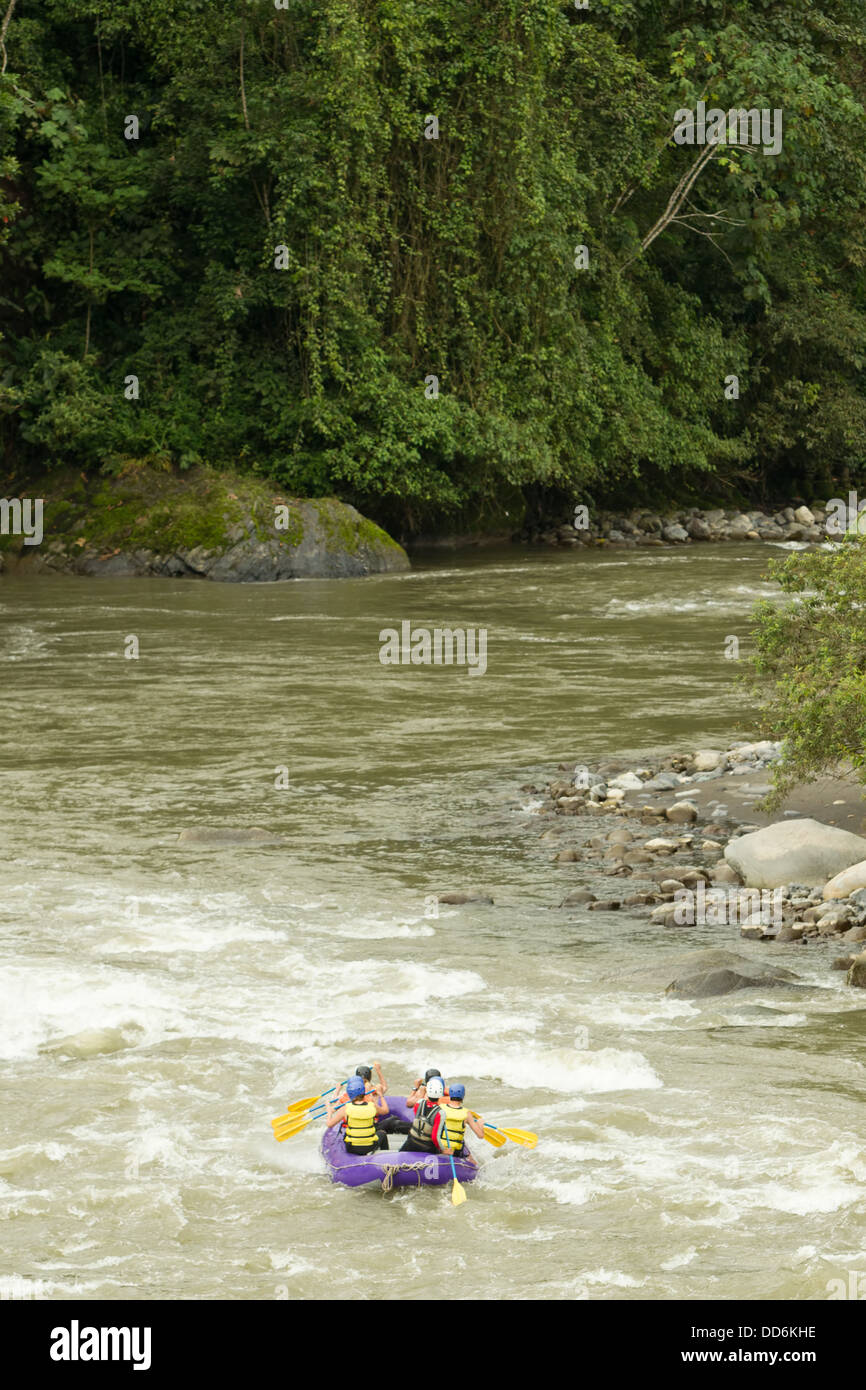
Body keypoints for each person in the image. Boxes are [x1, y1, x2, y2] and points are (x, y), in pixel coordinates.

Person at [325, 1076, 390, 1154]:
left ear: (349, 1092)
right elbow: (385, 1110)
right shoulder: (372, 1105)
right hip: (370, 1146)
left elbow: (329, 1124)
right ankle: (384, 1157)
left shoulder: (345, 1109)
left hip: (352, 1147)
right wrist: (381, 1095)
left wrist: (329, 1112)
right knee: (382, 1133)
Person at [438, 1083, 484, 1166]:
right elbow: (480, 1135)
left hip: (439, 1147)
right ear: (463, 1096)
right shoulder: (466, 1113)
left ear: (450, 1095)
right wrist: (480, 1124)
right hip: (455, 1151)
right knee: (474, 1163)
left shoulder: (440, 1108)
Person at [400, 1075, 448, 1153]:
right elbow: (435, 1137)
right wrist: (443, 1150)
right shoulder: (441, 1113)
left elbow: (418, 1116)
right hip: (426, 1147)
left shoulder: (419, 1103)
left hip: (411, 1142)